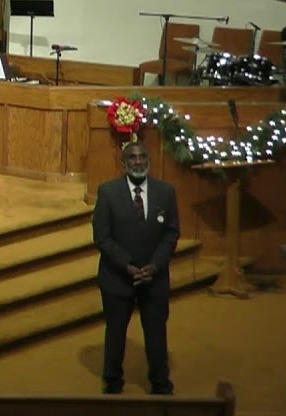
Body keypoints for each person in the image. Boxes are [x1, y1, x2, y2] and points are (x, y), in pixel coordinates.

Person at [92, 141, 179, 395]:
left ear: (149, 161)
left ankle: (160, 383)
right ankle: (112, 381)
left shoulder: (166, 192)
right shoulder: (107, 193)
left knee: (156, 335)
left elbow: (172, 233)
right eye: (132, 157)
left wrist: (154, 266)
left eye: (142, 156)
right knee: (116, 333)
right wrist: (127, 266)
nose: (138, 161)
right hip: (118, 278)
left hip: (155, 277)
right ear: (123, 163)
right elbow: (102, 237)